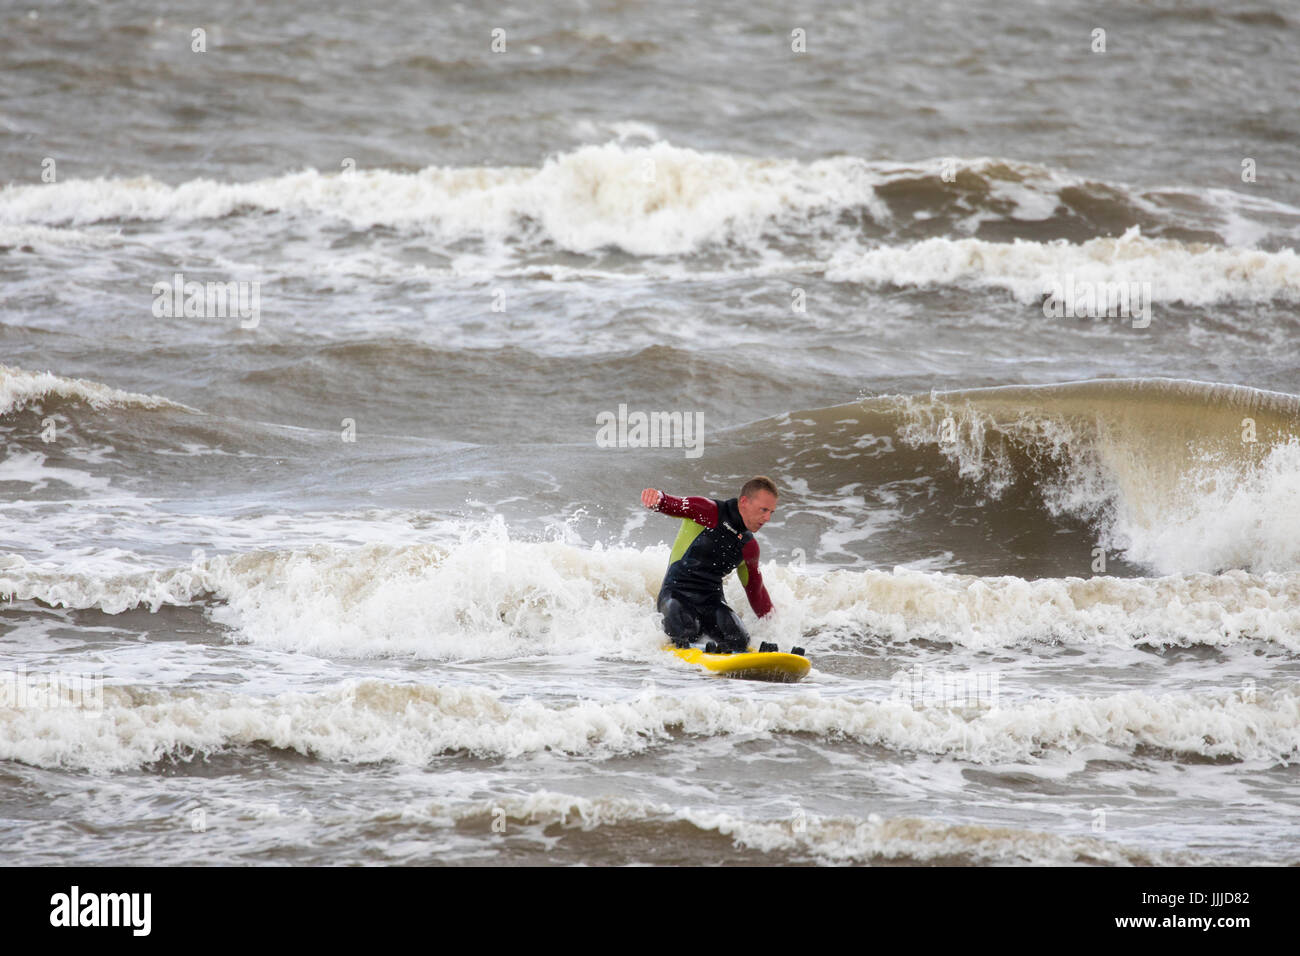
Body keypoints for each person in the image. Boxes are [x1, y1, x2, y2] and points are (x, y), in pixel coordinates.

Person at [640, 476, 777, 653]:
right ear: (744, 502)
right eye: (763, 510)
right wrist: (657, 498)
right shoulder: (707, 510)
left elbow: (757, 593)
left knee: (739, 639)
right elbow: (671, 503)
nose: (767, 518)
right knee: (686, 630)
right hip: (676, 593)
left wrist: (776, 629)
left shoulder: (749, 547)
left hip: (712, 601)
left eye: (771, 512)